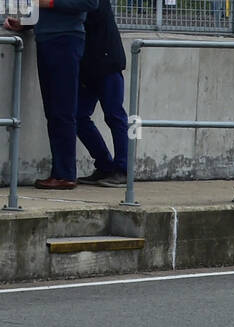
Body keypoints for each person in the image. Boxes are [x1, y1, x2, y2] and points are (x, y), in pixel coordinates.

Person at [5, 0, 100, 190]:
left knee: (62, 110)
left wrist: (51, 3)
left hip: (65, 40)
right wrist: (25, 23)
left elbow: (90, 3)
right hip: (48, 39)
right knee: (54, 110)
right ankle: (61, 172)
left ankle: (65, 174)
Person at [75, 0, 128, 188]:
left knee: (114, 115)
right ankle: (105, 165)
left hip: (107, 62)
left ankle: (122, 170)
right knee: (77, 116)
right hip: (90, 66)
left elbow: (78, 9)